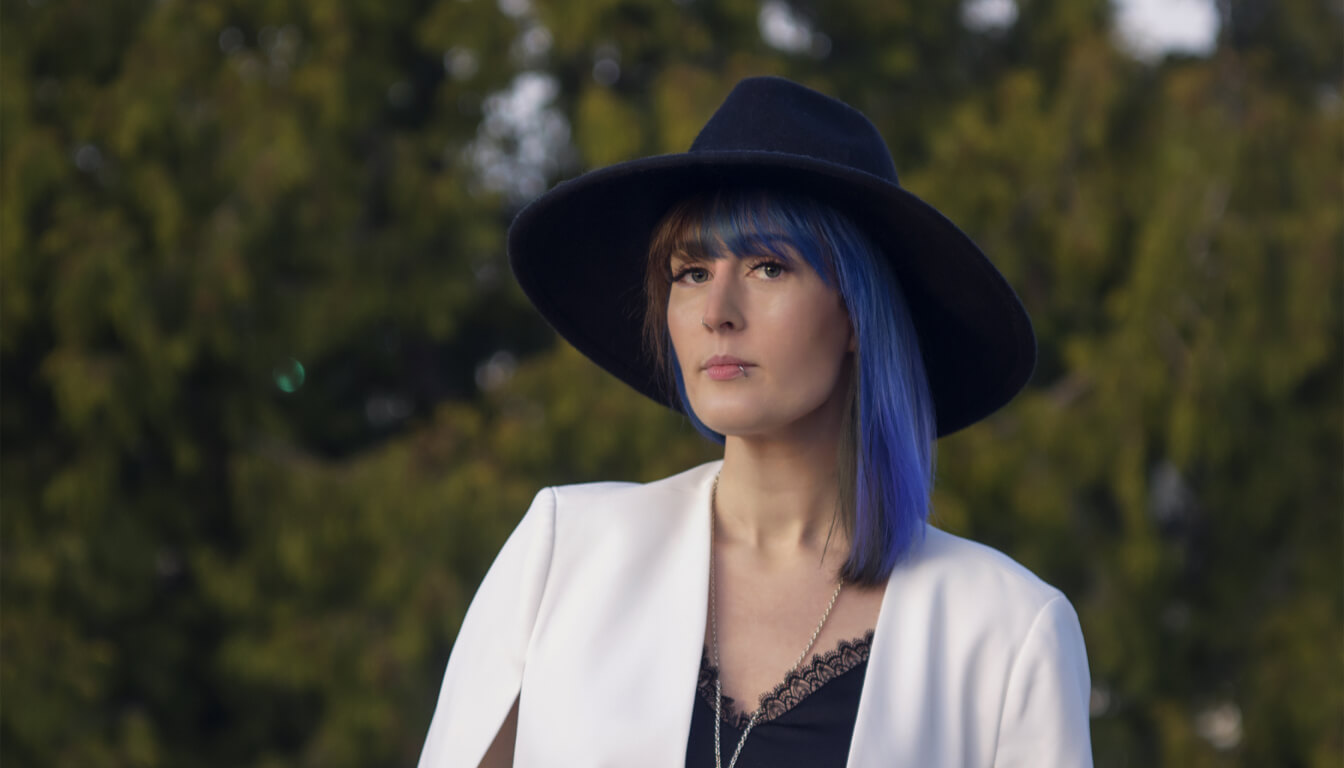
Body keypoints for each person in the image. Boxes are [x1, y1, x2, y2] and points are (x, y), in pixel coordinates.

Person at [417, 76, 1093, 767]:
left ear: (857, 316)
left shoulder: (1007, 632)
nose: (718, 311)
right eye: (692, 273)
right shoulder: (564, 555)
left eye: (770, 267)